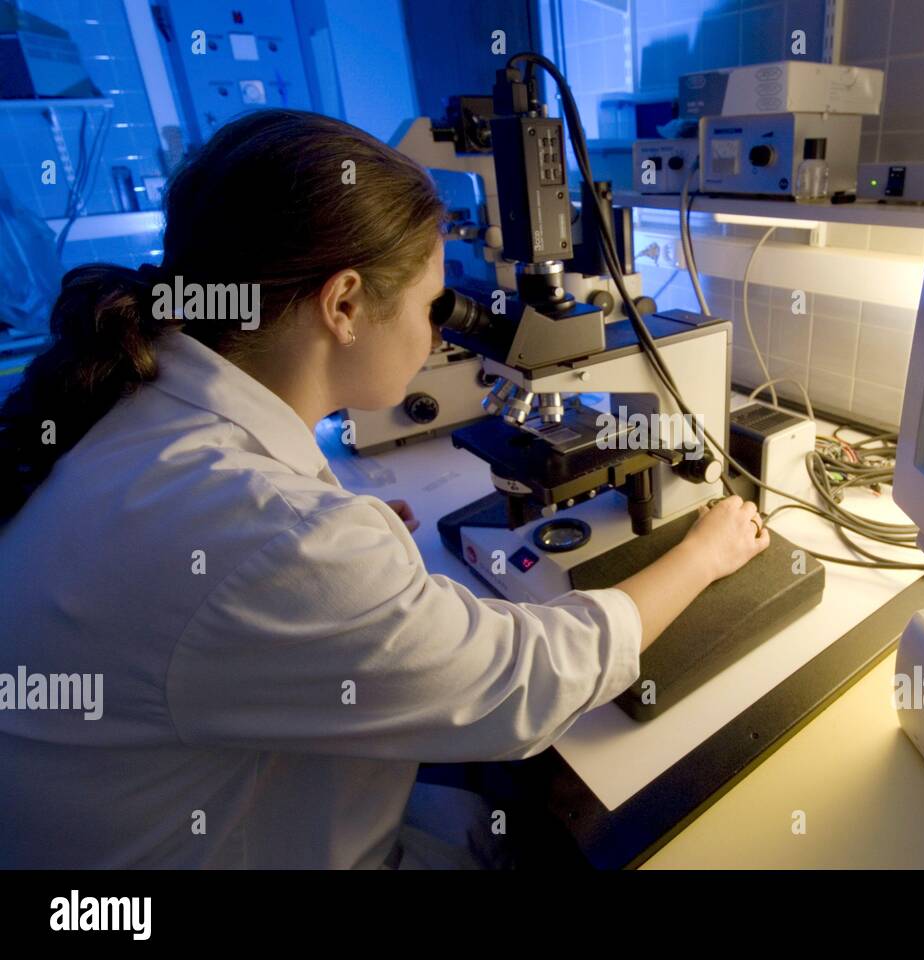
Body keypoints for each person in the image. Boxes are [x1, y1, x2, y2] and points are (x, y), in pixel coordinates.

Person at [0, 109, 769, 869]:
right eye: (433, 305)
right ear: (342, 305)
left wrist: (337, 563)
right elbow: (529, 681)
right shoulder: (273, 533)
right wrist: (705, 552)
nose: (440, 332)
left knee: (479, 813)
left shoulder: (144, 403)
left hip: (211, 809)